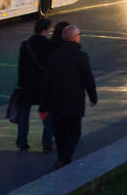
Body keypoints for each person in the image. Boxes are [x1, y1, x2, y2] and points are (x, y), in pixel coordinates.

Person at [39, 25, 98, 168]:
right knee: (74, 132)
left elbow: (46, 82)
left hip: (56, 102)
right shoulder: (81, 56)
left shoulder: (54, 57)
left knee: (60, 133)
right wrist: (93, 97)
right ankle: (64, 159)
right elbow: (87, 78)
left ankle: (62, 158)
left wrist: (43, 105)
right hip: (74, 101)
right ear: (75, 37)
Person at [15, 17, 54, 153]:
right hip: (42, 86)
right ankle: (47, 143)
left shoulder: (25, 44)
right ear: (45, 30)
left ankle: (21, 141)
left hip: (26, 85)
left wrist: (20, 84)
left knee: (24, 114)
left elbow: (21, 67)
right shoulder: (49, 45)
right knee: (47, 114)